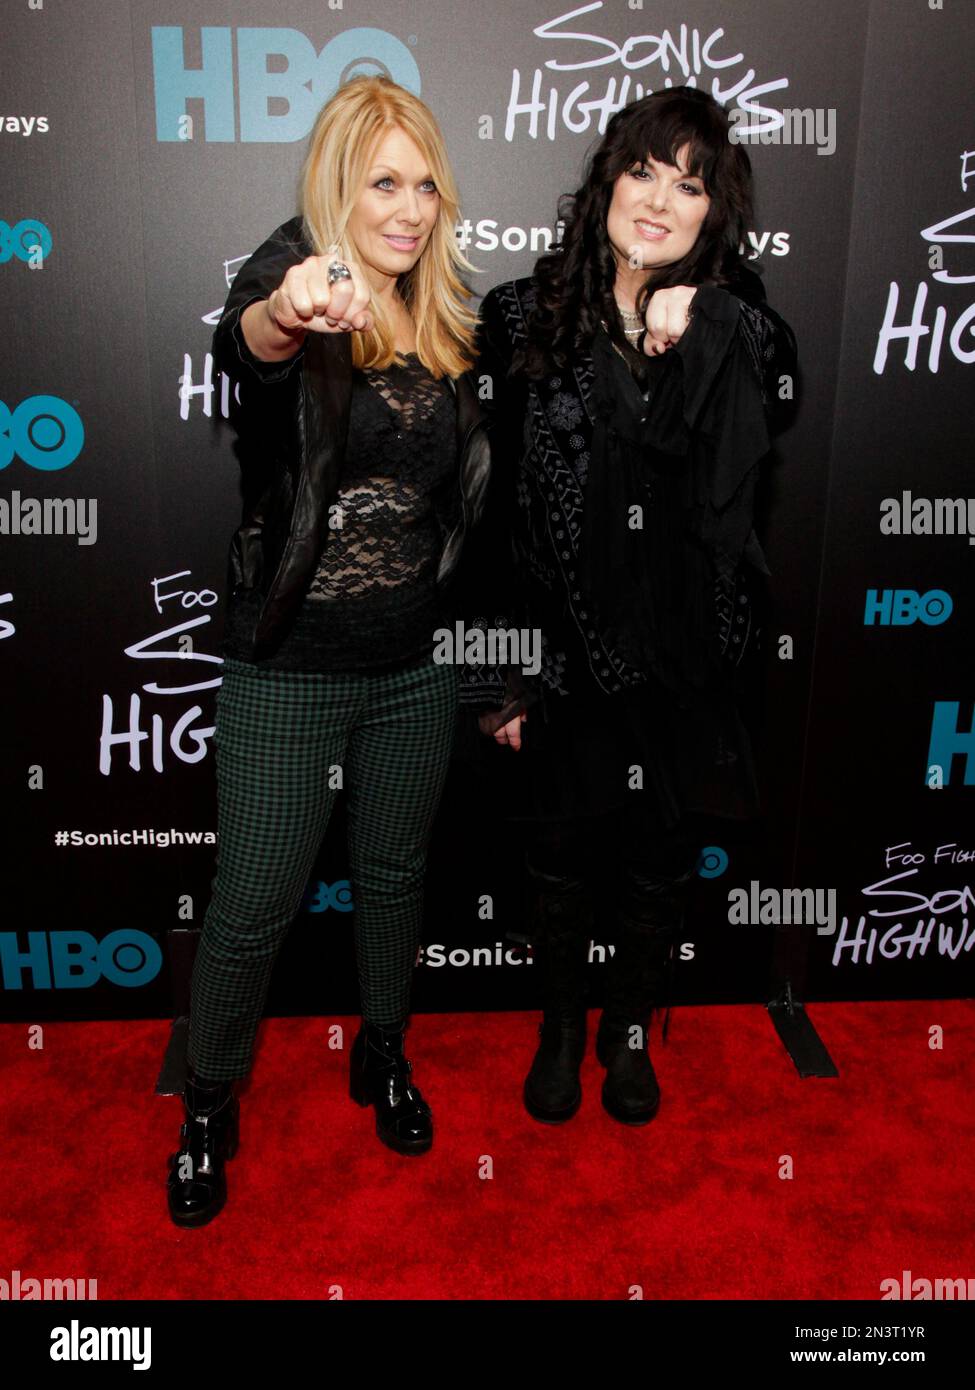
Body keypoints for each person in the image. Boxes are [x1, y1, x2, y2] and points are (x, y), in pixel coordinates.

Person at [168, 75, 490, 1227]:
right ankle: (209, 1101)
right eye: (380, 183)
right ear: (334, 190)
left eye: (423, 183)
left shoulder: (457, 322)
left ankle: (384, 1053)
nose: (407, 208)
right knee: (252, 904)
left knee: (398, 879)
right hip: (288, 668)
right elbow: (246, 339)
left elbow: (476, 511)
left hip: (412, 667)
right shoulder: (290, 284)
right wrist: (292, 306)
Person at [462, 87, 798, 1127]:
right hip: (561, 652)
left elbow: (783, 386)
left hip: (682, 652)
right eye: (645, 171)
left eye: (690, 186)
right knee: (558, 858)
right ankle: (563, 1025)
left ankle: (632, 1029)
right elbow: (483, 509)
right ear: (607, 181)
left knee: (658, 863)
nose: (660, 199)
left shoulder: (739, 319)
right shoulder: (520, 314)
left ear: (714, 214)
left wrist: (711, 315)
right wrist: (502, 671)